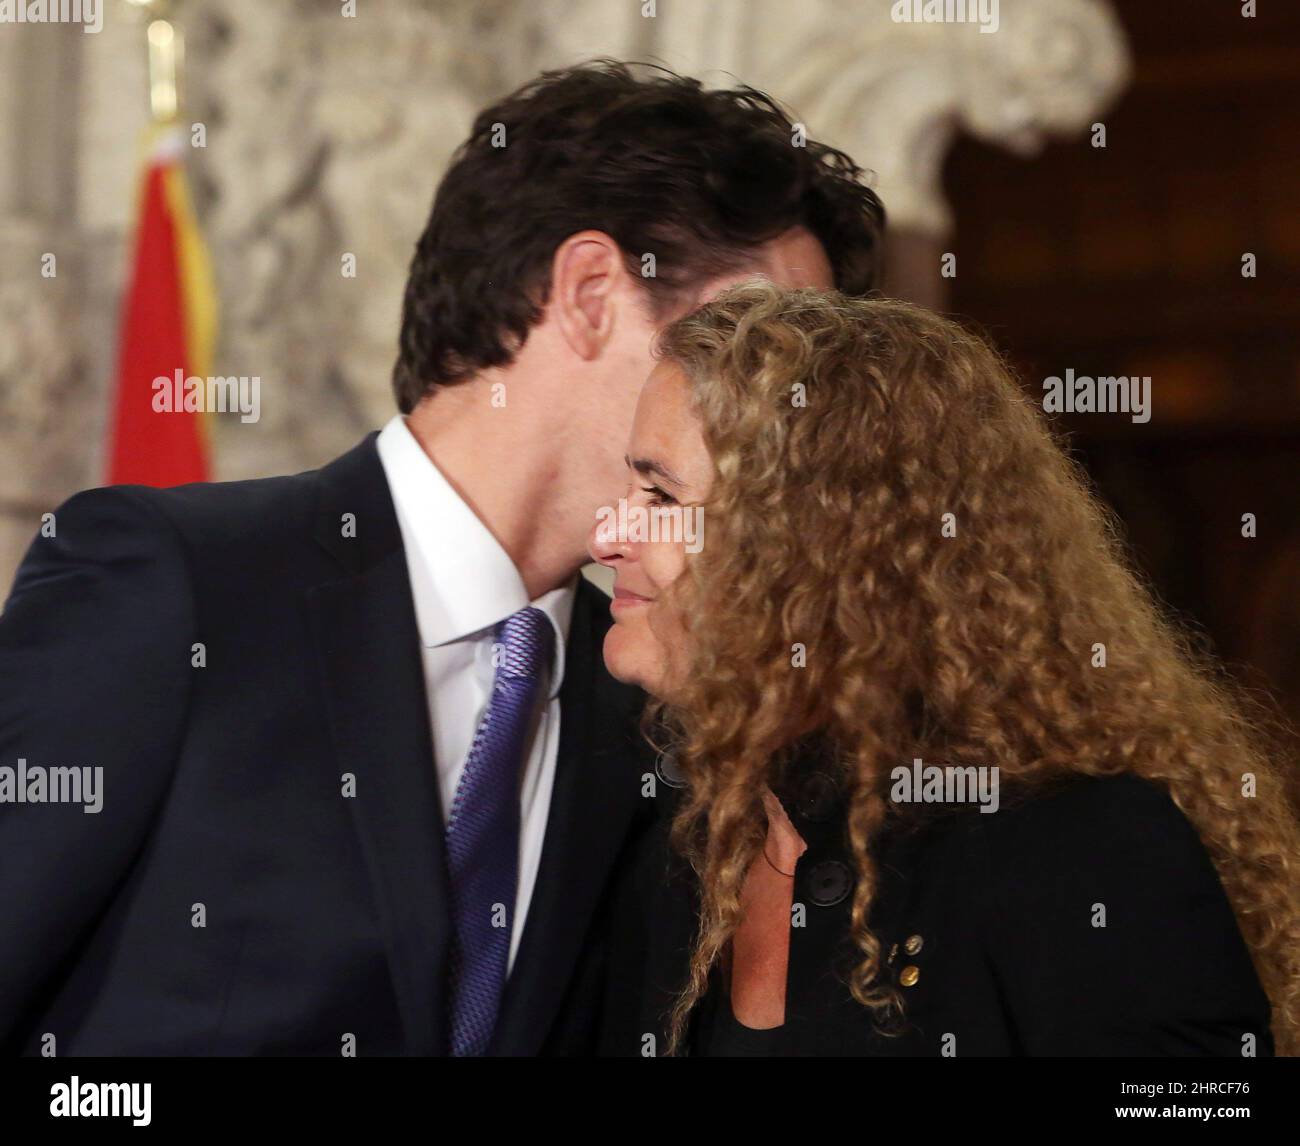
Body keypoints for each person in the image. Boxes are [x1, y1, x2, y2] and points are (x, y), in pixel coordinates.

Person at [0, 63, 884, 1056]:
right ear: (591, 293)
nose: (791, 409)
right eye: (751, 342)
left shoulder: (659, 710)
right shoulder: (177, 585)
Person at [591, 281, 1300, 1057]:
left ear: (819, 544)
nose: (609, 538)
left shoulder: (1079, 848)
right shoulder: (682, 841)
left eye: (659, 494)